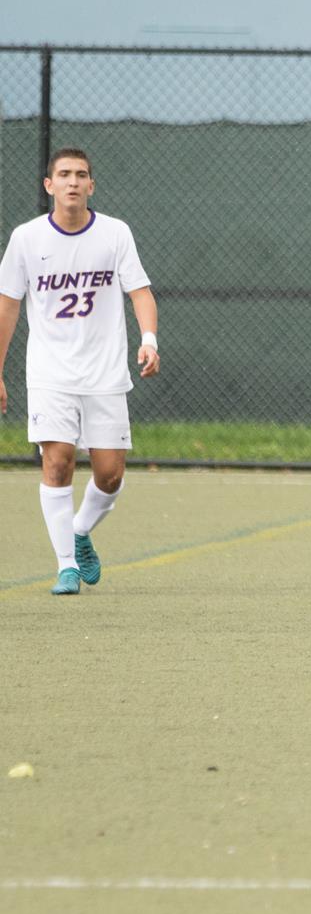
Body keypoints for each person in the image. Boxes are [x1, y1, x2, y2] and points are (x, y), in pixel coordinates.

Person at [0, 147, 160, 596]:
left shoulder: (115, 233)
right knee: (58, 461)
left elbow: (140, 293)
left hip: (104, 373)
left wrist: (148, 340)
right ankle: (66, 566)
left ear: (92, 185)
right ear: (49, 185)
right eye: (64, 174)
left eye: (81, 175)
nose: (73, 182)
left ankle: (80, 530)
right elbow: (7, 307)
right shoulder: (26, 239)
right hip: (50, 373)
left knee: (110, 475)